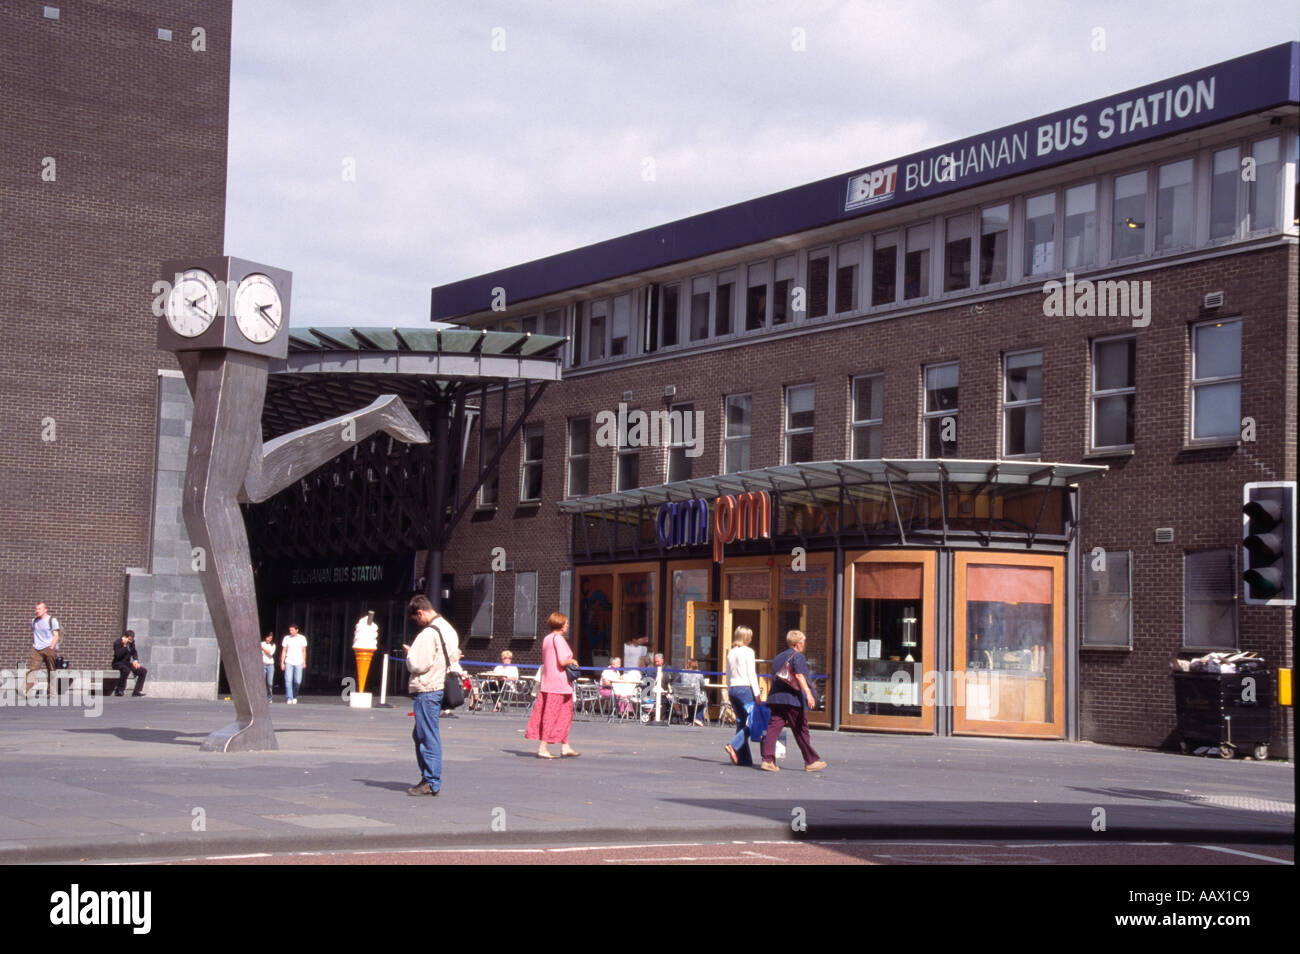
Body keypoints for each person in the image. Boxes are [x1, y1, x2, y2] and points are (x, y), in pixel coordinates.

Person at [404, 594, 455, 796]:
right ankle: (430, 778)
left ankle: (431, 780)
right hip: (440, 685)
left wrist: (410, 655)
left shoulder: (428, 633)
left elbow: (419, 664)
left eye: (416, 619)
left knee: (427, 735)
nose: (418, 623)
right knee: (421, 733)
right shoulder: (448, 628)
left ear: (420, 612)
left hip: (428, 687)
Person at [760, 630, 827, 773]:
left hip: (776, 698)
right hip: (792, 699)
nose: (804, 645)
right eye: (803, 642)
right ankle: (811, 761)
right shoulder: (798, 656)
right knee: (801, 729)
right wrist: (808, 694)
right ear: (798, 644)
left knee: (774, 727)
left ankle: (767, 760)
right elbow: (799, 675)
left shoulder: (778, 657)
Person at [525, 612, 580, 758]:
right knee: (557, 714)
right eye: (566, 623)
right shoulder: (559, 639)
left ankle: (565, 745)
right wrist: (572, 661)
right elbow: (562, 661)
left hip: (548, 682)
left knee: (560, 714)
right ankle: (543, 747)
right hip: (560, 684)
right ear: (560, 625)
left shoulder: (547, 639)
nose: (567, 625)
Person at [723, 625, 761, 765]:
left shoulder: (731, 653)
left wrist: (728, 690)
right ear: (746, 637)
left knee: (740, 722)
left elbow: (728, 674)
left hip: (733, 688)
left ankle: (744, 759)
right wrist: (757, 693)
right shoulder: (749, 652)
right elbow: (752, 673)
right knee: (753, 722)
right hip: (745, 688)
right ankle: (733, 744)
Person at [25, 601, 60, 694]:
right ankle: (25, 690)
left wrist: (52, 647)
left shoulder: (52, 620)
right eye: (36, 609)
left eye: (39, 609)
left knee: (51, 670)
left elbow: (56, 635)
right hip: (37, 649)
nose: (37, 611)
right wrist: (33, 644)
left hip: (49, 648)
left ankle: (51, 691)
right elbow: (34, 633)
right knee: (33, 669)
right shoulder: (34, 621)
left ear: (45, 610)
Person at [111, 630, 148, 696]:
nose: (131, 641)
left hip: (126, 663)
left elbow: (134, 652)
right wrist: (124, 646)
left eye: (132, 639)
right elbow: (118, 655)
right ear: (125, 637)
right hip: (118, 663)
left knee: (143, 671)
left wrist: (135, 660)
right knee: (126, 670)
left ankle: (137, 691)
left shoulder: (131, 643)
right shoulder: (118, 642)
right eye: (130, 639)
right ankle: (119, 690)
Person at [280, 624, 308, 704]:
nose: (291, 632)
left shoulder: (302, 638)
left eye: (292, 630)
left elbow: (304, 651)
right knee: (288, 680)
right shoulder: (286, 638)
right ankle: (289, 697)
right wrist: (282, 662)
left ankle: (295, 696)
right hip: (289, 661)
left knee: (297, 681)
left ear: (297, 630)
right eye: (290, 630)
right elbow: (284, 650)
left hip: (299, 661)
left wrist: (304, 661)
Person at [676, 658, 708, 726]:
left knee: (690, 699)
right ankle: (698, 719)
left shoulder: (682, 672)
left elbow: (676, 680)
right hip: (694, 697)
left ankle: (691, 719)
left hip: (683, 697)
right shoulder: (698, 673)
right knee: (704, 700)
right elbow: (703, 684)